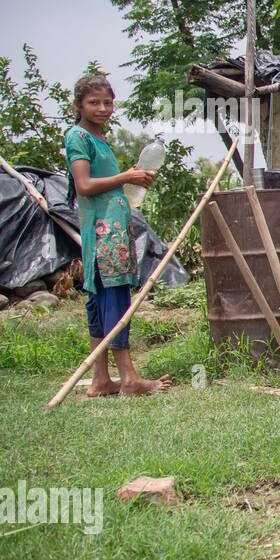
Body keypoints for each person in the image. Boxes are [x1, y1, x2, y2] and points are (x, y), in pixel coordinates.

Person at [64, 74, 171, 397]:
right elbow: (84, 185)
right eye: (94, 102)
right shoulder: (78, 137)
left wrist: (132, 180)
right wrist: (127, 175)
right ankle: (128, 378)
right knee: (115, 300)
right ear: (78, 105)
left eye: (108, 102)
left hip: (111, 228)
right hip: (103, 233)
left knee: (99, 301)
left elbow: (105, 185)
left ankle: (100, 380)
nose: (102, 108)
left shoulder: (98, 140)